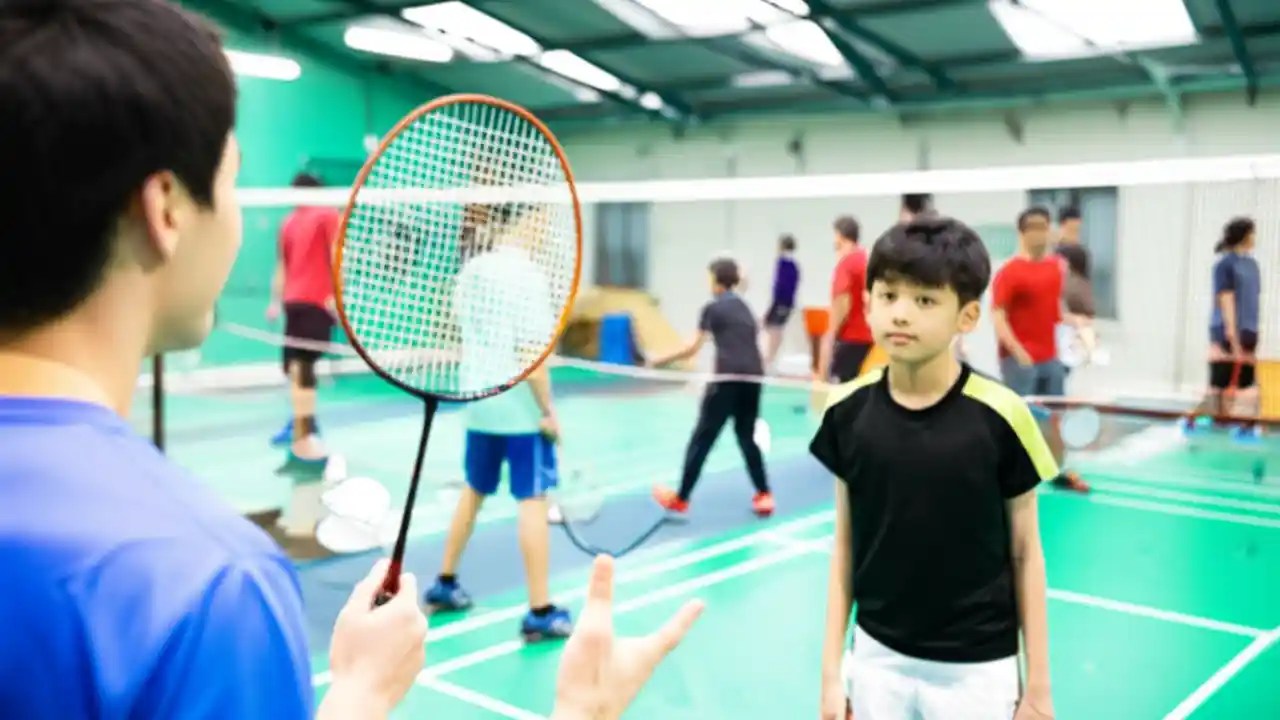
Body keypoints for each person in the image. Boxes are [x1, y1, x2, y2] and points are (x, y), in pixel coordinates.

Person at [0, 2, 697, 717]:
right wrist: (366, 697)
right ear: (167, 209)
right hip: (511, 411)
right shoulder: (206, 585)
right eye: (234, 181)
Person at [810, 216, 1056, 720]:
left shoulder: (1003, 416)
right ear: (867, 303)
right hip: (877, 657)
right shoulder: (845, 412)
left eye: (925, 300)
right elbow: (844, 547)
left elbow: (1027, 554)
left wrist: (1038, 688)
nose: (901, 314)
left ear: (967, 316)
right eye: (889, 295)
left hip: (977, 669)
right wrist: (831, 675)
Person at [423, 206, 574, 642]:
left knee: (474, 490)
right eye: (542, 220)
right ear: (526, 220)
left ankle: (445, 583)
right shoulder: (528, 276)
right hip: (519, 407)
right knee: (532, 498)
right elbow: (532, 357)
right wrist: (548, 410)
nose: (547, 229)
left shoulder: (472, 271)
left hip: (478, 399)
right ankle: (540, 610)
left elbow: (460, 329)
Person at [649, 258, 775, 517]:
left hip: (727, 379)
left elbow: (691, 348)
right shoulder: (746, 308)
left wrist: (657, 360)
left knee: (702, 439)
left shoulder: (713, 308)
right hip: (753, 378)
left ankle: (681, 498)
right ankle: (764, 494)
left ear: (717, 281)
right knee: (746, 436)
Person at [991, 207, 1090, 493]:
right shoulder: (1009, 272)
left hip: (1051, 358)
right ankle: (1008, 474)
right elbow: (998, 315)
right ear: (1022, 232)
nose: (1039, 232)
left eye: (1043, 226)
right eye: (1033, 227)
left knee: (1054, 416)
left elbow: (1055, 308)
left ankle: (1058, 470)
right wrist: (1017, 350)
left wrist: (1077, 325)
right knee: (1019, 418)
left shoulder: (1054, 268)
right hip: (1019, 361)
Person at [267, 172, 340, 468]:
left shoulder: (304, 219)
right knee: (301, 369)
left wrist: (275, 302)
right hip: (309, 302)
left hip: (299, 302)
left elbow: (282, 267)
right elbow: (336, 256)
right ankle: (304, 430)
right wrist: (339, 296)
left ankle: (304, 431)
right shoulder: (304, 219)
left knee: (299, 368)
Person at [1195, 216, 1263, 436]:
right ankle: (1206, 422)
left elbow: (1251, 298)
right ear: (1244, 235)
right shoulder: (1225, 265)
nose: (1254, 237)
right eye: (1252, 233)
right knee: (1221, 381)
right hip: (1227, 329)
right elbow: (1226, 299)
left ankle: (1239, 425)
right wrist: (1231, 333)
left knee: (1245, 381)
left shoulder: (1252, 264)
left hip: (1249, 330)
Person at [820, 215, 875, 383]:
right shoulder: (866, 258)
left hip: (850, 335)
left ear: (840, 236)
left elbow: (843, 300)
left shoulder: (847, 263)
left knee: (839, 383)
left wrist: (831, 333)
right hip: (867, 335)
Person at [1053, 206, 1098, 365]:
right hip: (1061, 321)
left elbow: (1085, 285)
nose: (1075, 234)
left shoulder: (1081, 253)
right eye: (1072, 229)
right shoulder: (1054, 252)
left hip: (1079, 318)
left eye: (1077, 230)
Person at [762, 233, 800, 370]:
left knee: (772, 331)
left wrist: (772, 306)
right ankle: (770, 360)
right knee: (776, 331)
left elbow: (779, 287)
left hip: (780, 302)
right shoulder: (795, 265)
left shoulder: (782, 263)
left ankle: (769, 362)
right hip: (788, 303)